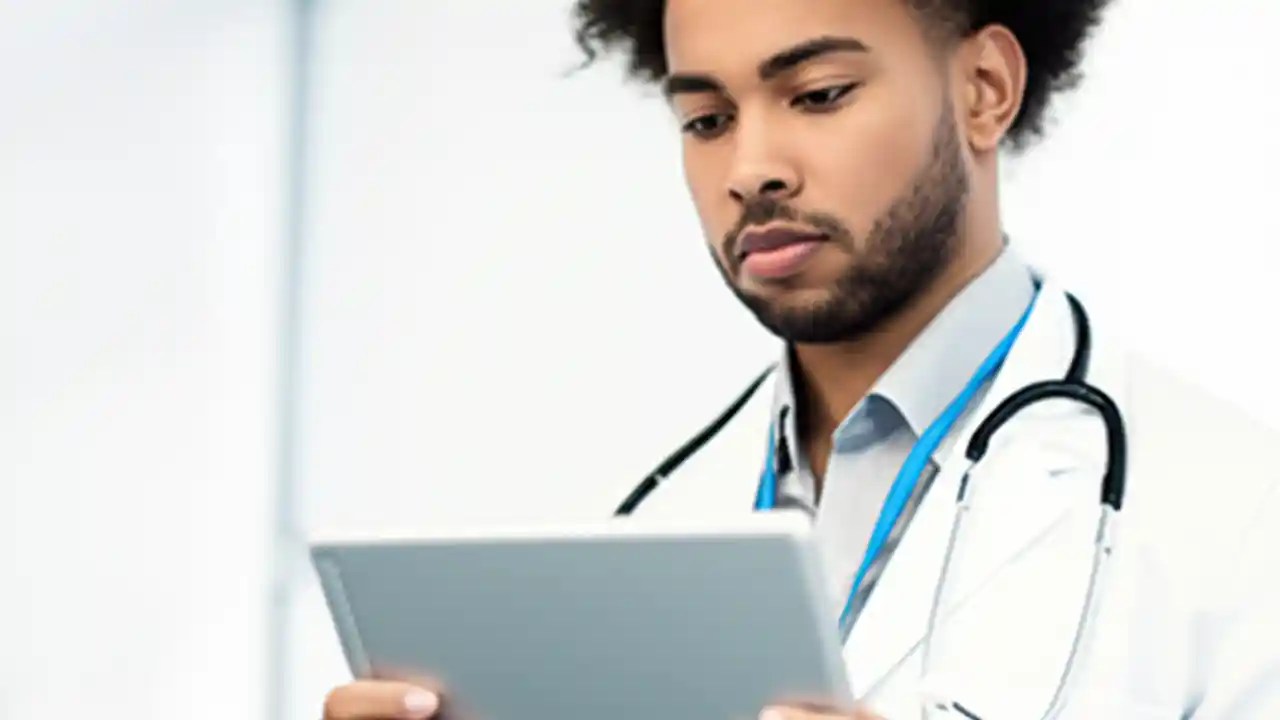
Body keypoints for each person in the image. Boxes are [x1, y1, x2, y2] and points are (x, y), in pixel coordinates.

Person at [322, 0, 1280, 718]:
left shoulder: (1234, 522)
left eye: (818, 95)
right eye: (706, 119)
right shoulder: (642, 517)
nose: (750, 168)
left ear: (984, 90)